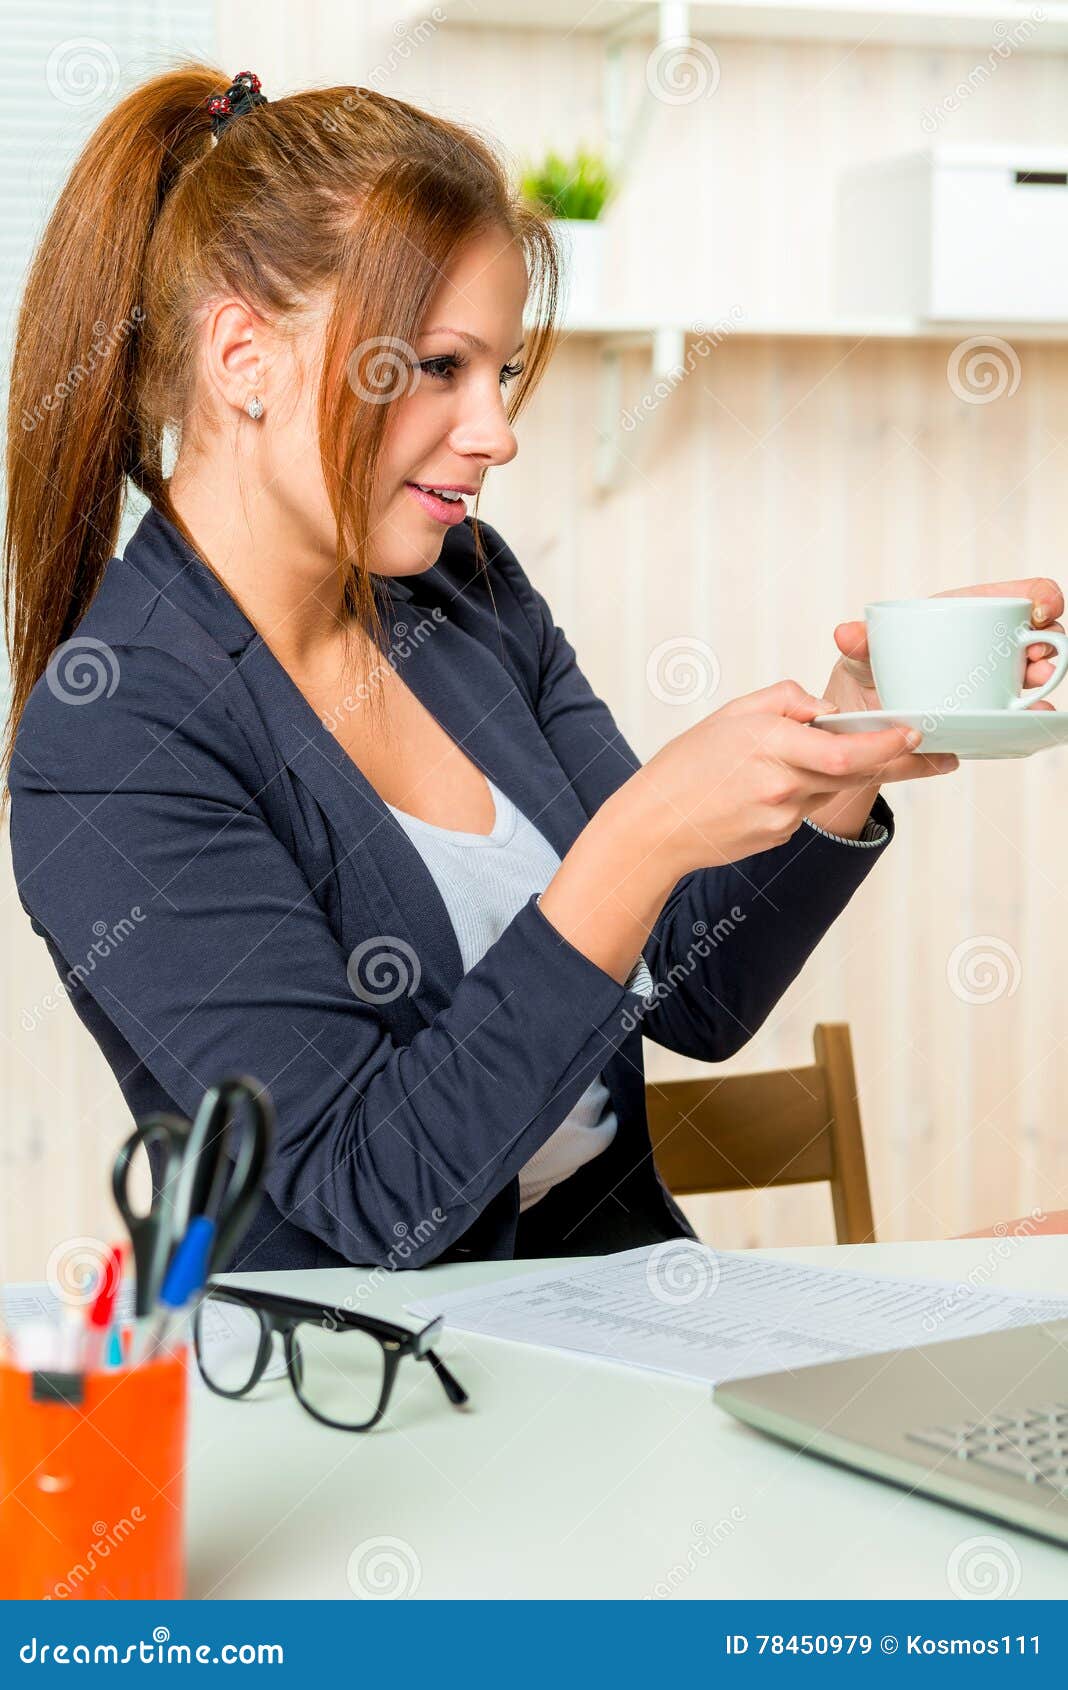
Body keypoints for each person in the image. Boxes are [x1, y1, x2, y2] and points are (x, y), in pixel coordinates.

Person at [4, 66, 1063, 1272]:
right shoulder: (115, 734)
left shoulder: (466, 590)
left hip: (612, 1310)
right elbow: (371, 1190)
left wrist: (844, 746)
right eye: (438, 368)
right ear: (244, 356)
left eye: (499, 373)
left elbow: (691, 989)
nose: (496, 432)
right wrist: (639, 837)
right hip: (370, 1399)